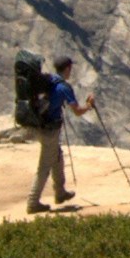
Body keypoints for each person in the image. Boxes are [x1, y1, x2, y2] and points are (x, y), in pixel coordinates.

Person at [27, 56, 85, 212]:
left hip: (39, 126)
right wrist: (89, 105)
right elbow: (77, 111)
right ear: (67, 69)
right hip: (50, 131)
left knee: (57, 157)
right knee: (44, 166)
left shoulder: (49, 80)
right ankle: (33, 202)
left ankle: (60, 192)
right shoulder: (64, 87)